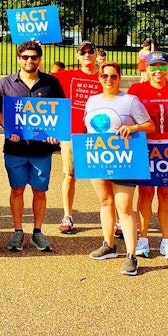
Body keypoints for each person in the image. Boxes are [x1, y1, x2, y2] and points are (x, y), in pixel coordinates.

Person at [0, 41, 65, 255]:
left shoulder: (51, 83)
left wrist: (56, 135)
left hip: (42, 151)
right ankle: (17, 230)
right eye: (25, 57)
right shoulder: (7, 83)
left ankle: (37, 231)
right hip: (15, 148)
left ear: (39, 59)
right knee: (17, 190)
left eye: (33, 57)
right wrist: (7, 127)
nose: (29, 61)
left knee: (40, 191)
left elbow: (60, 114)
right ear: (18, 58)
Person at [84, 62, 155, 276]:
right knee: (105, 201)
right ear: (99, 78)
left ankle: (131, 255)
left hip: (125, 158)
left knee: (124, 207)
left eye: (113, 76)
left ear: (119, 78)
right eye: (104, 75)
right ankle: (109, 244)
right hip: (98, 157)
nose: (108, 79)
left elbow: (149, 125)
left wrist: (133, 127)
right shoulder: (92, 100)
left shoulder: (130, 101)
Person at [128, 51, 168, 260]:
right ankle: (143, 238)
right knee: (145, 193)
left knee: (166, 194)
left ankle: (166, 240)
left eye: (162, 66)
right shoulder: (137, 89)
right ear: (147, 68)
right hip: (146, 145)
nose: (158, 71)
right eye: (154, 67)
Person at [53, 40, 102, 234]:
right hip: (72, 133)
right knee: (69, 175)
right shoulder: (69, 76)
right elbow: (41, 76)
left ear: (96, 53)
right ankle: (67, 215)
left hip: (97, 135)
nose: (87, 55)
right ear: (77, 56)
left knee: (103, 178)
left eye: (91, 51)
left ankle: (113, 218)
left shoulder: (104, 76)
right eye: (83, 52)